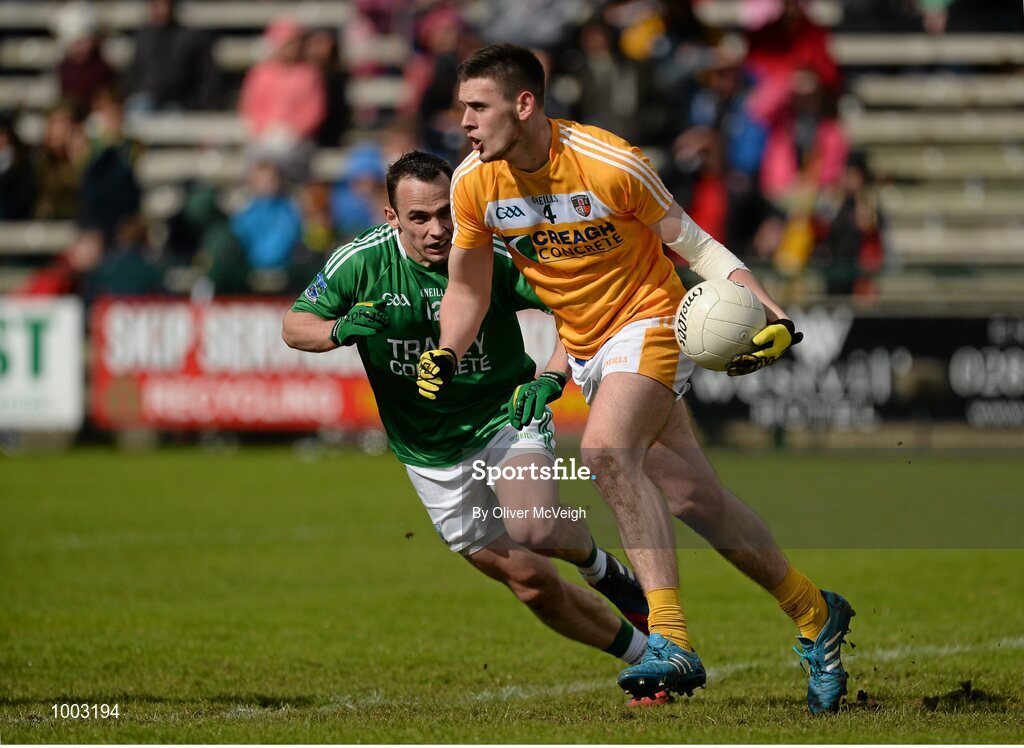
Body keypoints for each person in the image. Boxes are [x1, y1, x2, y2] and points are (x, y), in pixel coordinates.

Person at [418, 43, 855, 714]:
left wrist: (768, 310)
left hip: (651, 321)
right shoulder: (474, 183)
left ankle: (669, 639)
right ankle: (814, 611)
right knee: (694, 501)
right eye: (462, 109)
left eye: (477, 107)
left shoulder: (609, 162)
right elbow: (468, 292)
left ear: (524, 104)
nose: (465, 123)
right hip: (589, 349)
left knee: (603, 452)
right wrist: (447, 352)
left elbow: (696, 244)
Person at [282, 151, 651, 675]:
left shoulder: (492, 255)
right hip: (427, 451)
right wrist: (337, 331)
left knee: (534, 525)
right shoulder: (359, 263)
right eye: (418, 218)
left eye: (444, 213)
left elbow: (583, 309)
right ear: (391, 218)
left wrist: (552, 375)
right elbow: (294, 325)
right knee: (533, 585)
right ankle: (646, 655)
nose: (436, 229)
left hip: (505, 414)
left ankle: (603, 570)